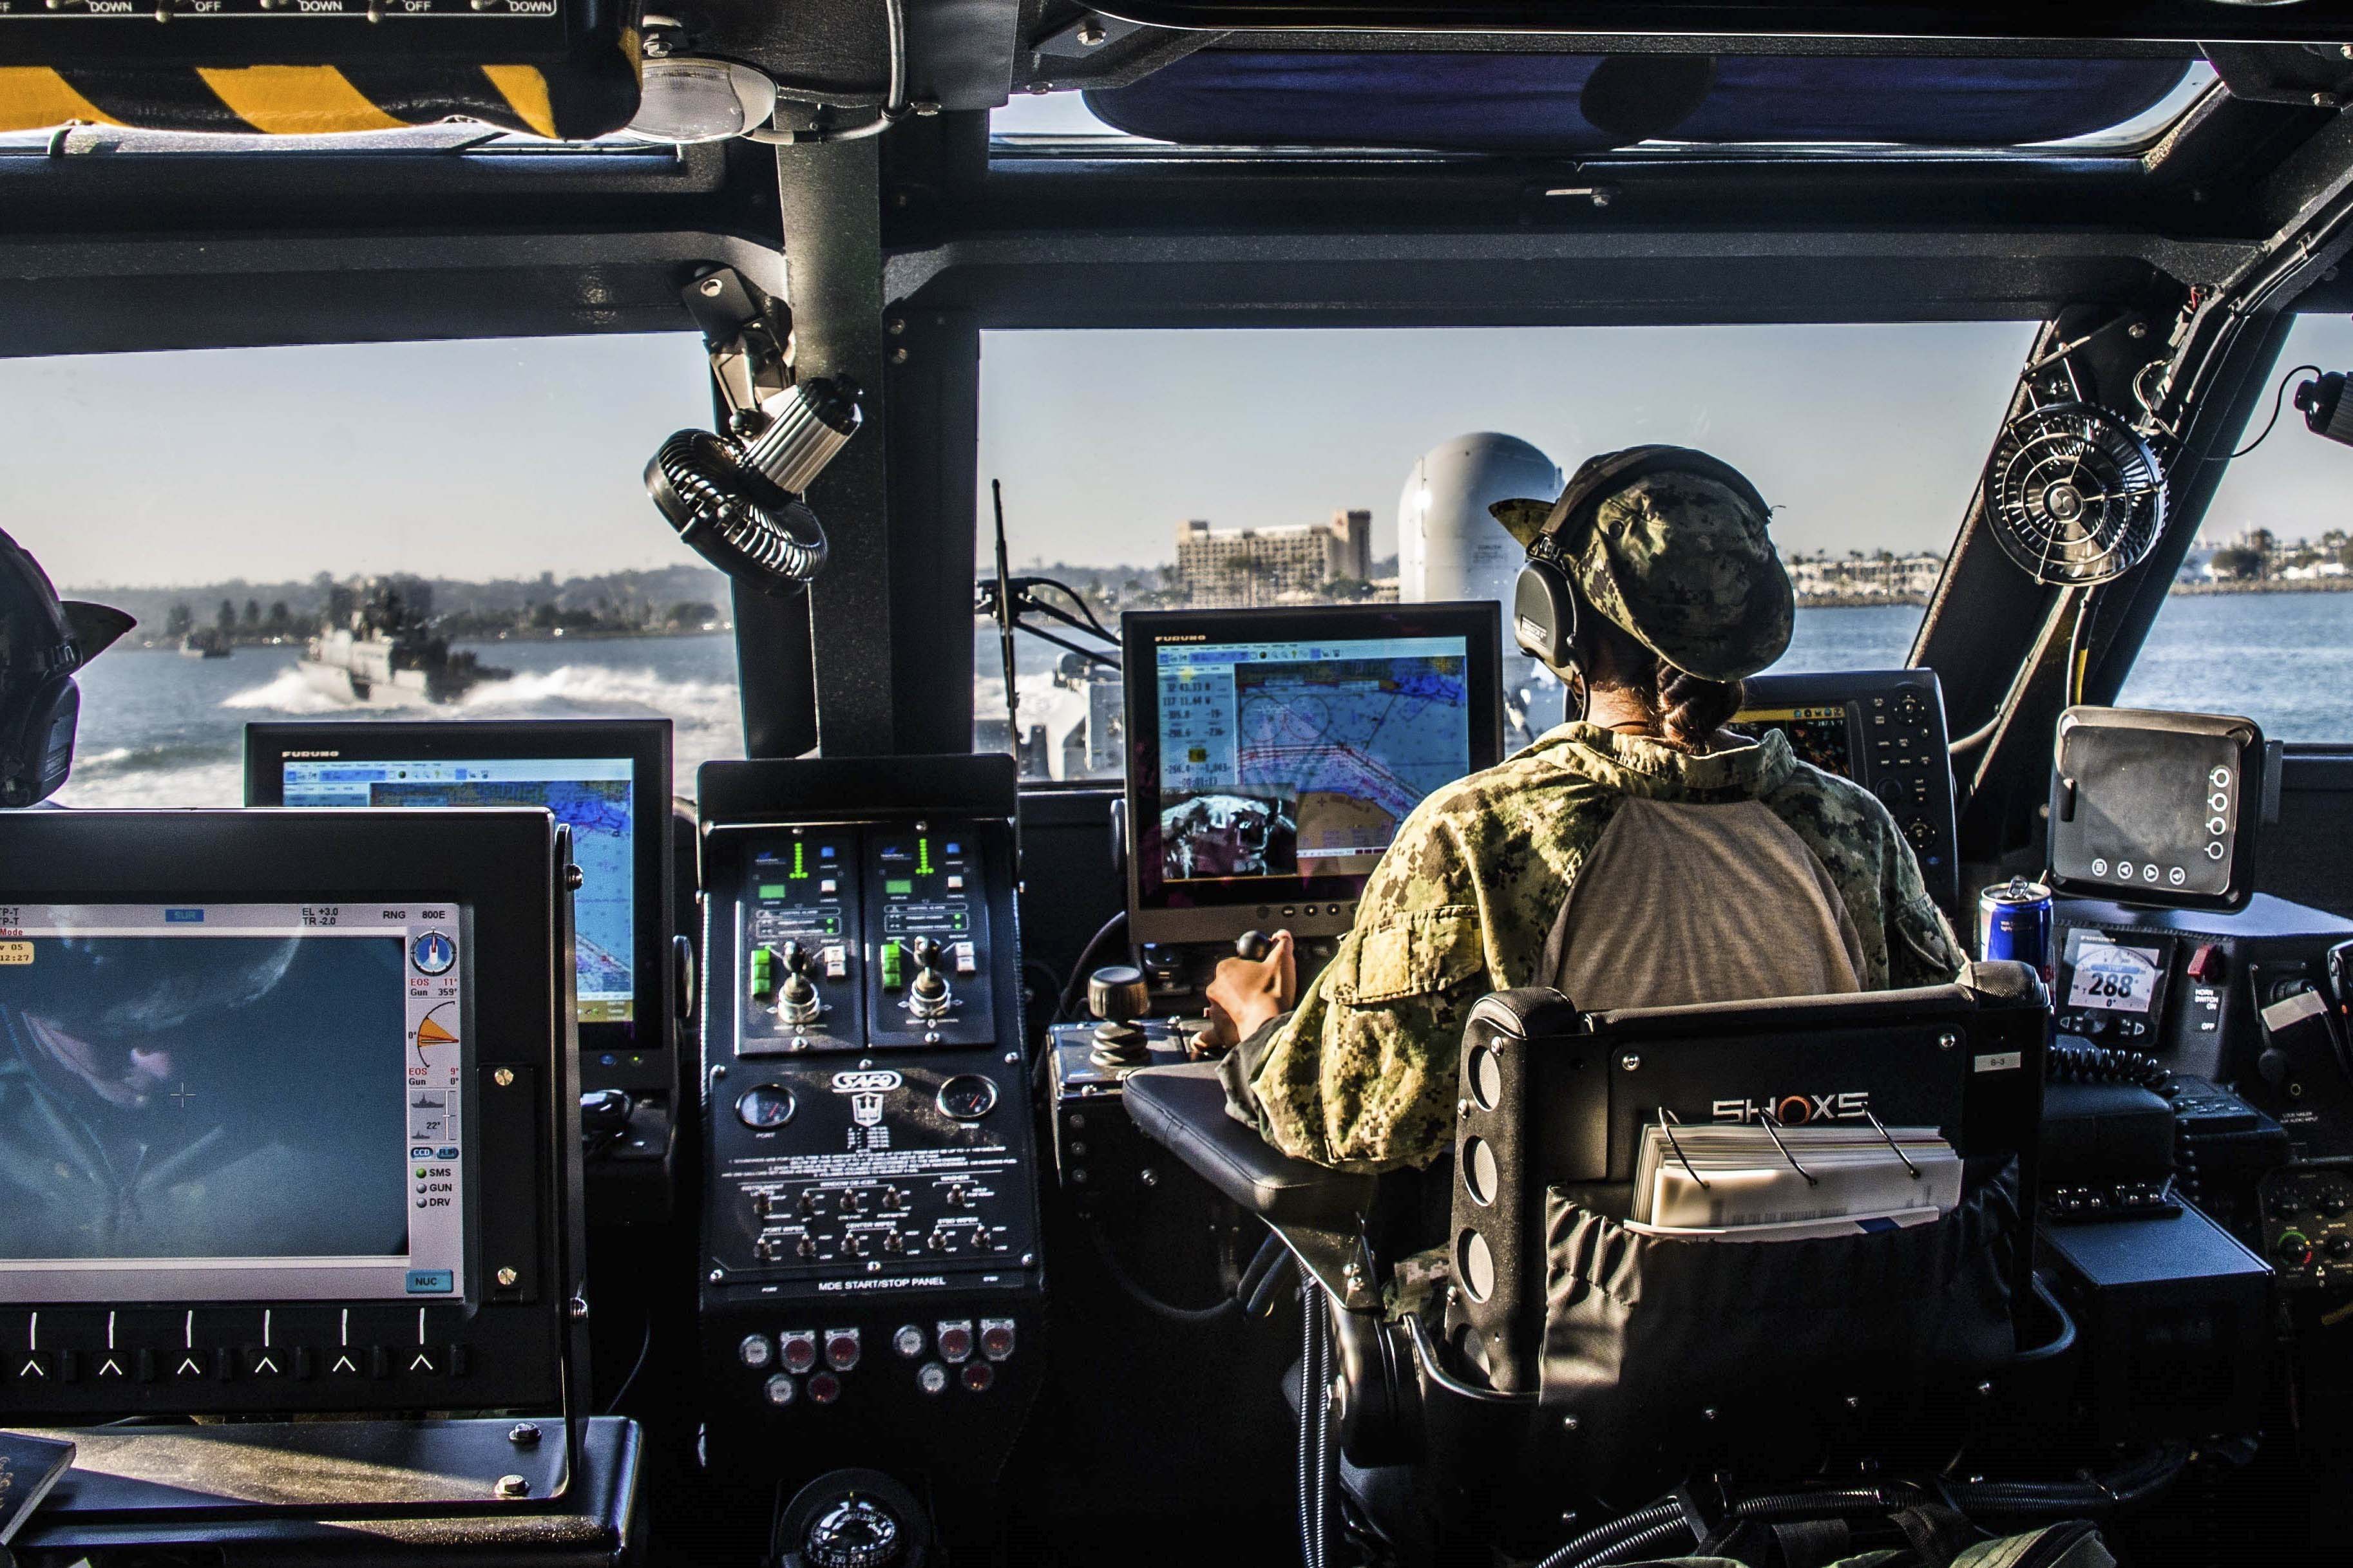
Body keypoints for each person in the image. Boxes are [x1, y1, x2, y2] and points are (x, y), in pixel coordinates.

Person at [1207, 448, 1966, 1173]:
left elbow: (1350, 1122)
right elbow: (1952, 1066)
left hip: (1574, 1269)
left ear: (1550, 617)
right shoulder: (1855, 830)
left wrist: (1256, 1025)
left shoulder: (1473, 835)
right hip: (1839, 1262)